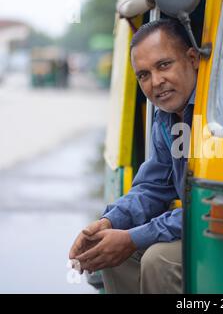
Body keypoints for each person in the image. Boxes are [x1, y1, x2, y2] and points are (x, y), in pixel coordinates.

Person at [69, 18, 200, 294]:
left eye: (164, 65)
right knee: (112, 253)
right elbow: (152, 188)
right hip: (202, 228)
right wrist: (108, 223)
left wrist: (132, 237)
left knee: (157, 259)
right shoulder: (166, 119)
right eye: (144, 75)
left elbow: (209, 208)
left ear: (192, 59)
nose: (156, 82)